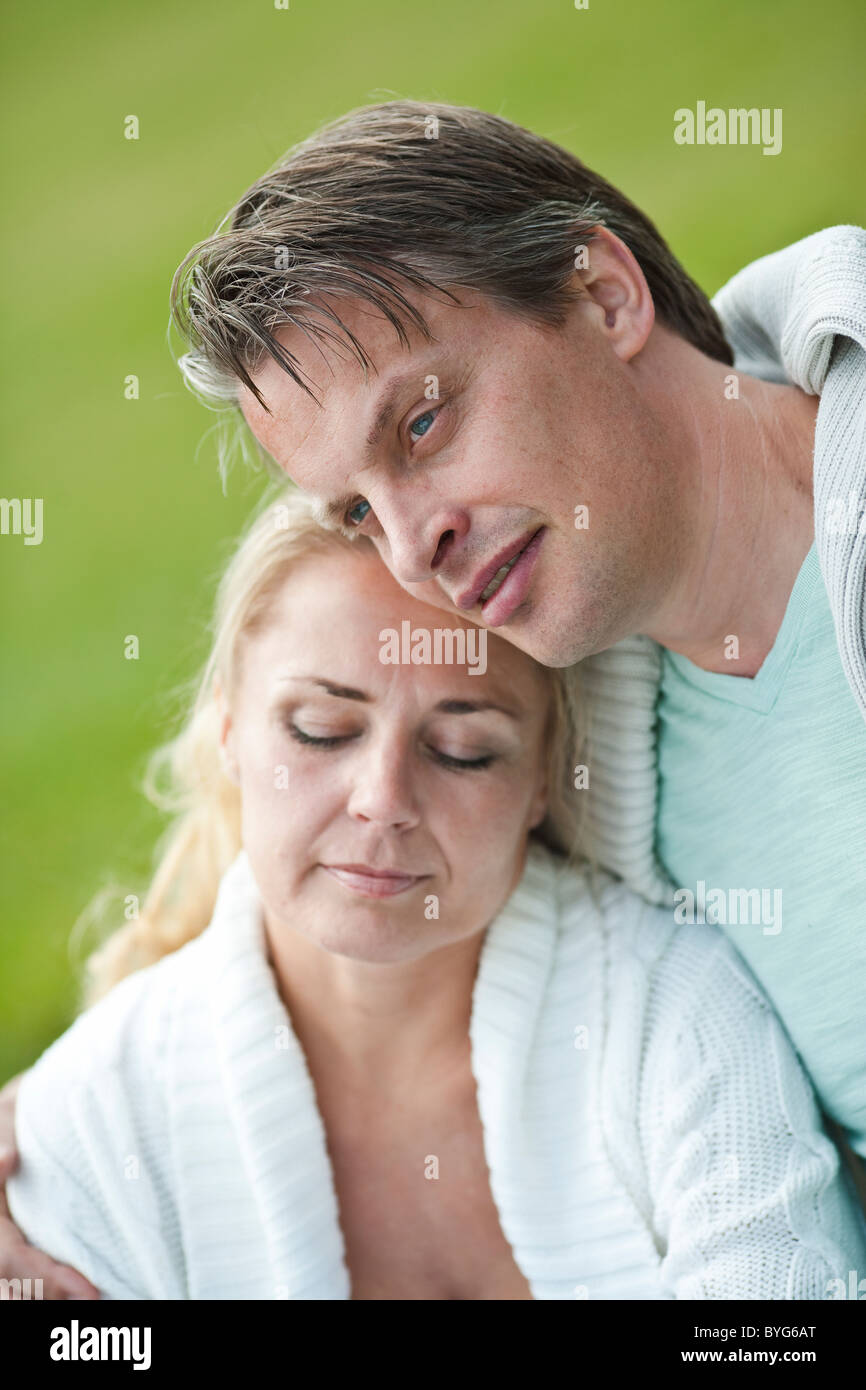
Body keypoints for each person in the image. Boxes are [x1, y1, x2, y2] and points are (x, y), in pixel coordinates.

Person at [161, 98, 866, 1168]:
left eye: (422, 423)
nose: (410, 548)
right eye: (355, 510)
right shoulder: (568, 761)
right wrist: (59, 1136)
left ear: (601, 294)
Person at [4, 489, 864, 1300]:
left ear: (541, 781)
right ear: (228, 730)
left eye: (462, 749)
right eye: (322, 729)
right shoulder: (94, 1122)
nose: (382, 798)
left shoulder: (675, 1017)